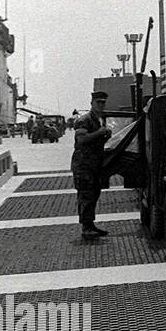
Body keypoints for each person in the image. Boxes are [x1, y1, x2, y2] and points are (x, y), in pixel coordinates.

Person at [72, 91, 112, 240]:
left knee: (94, 194)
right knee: (86, 195)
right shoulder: (85, 120)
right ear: (92, 103)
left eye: (103, 102)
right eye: (98, 102)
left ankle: (90, 224)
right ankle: (86, 227)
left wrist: (104, 135)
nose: (101, 105)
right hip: (84, 164)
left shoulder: (98, 120)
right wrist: (99, 132)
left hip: (94, 164)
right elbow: (81, 139)